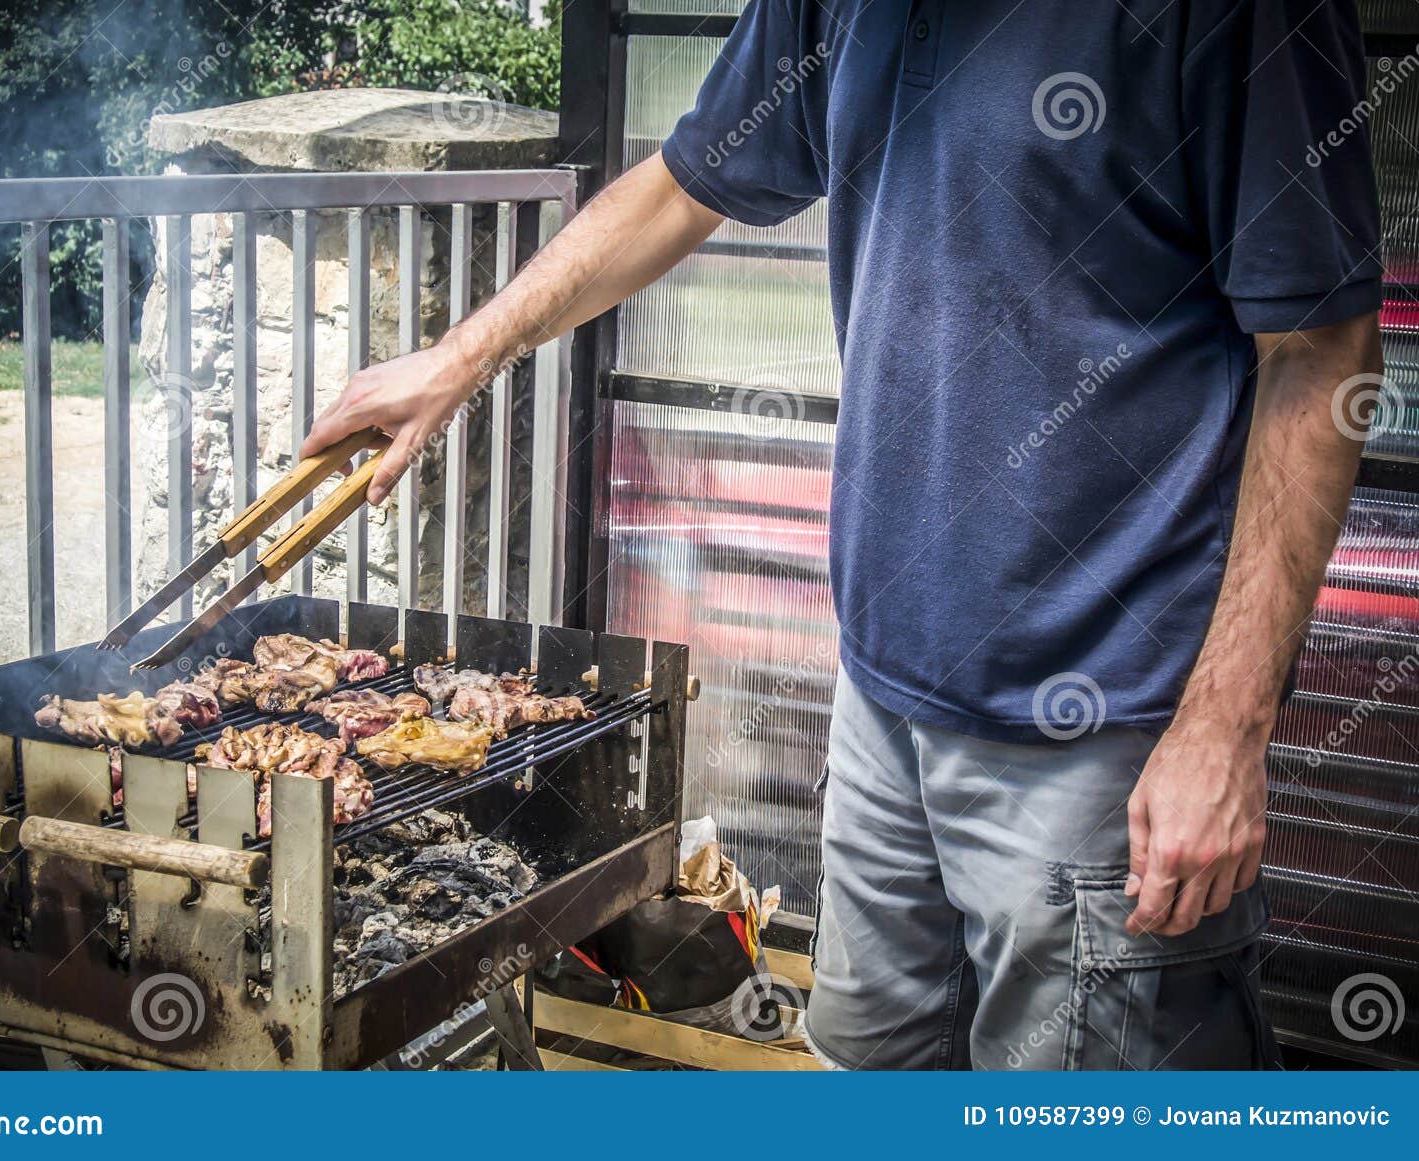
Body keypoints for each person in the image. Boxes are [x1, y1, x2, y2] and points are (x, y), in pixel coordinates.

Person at [302, 0, 1383, 1069]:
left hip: (1104, 730)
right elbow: (682, 186)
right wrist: (459, 361)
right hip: (884, 702)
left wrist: (1224, 732)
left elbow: (1320, 356)